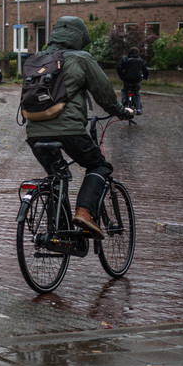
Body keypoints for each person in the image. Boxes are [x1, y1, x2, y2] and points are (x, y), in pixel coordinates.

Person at [26, 16, 135, 239]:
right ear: (79, 38)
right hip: (70, 131)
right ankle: (84, 213)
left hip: (34, 133)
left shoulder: (37, 59)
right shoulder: (81, 58)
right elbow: (104, 94)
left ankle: (58, 233)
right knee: (99, 166)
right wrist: (122, 112)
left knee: (57, 176)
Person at [116, 47, 150, 113]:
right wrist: (145, 77)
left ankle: (124, 101)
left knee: (124, 90)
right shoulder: (140, 60)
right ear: (137, 53)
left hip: (127, 79)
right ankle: (138, 109)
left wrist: (121, 76)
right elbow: (145, 70)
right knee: (137, 93)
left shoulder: (125, 59)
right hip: (136, 80)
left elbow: (119, 67)